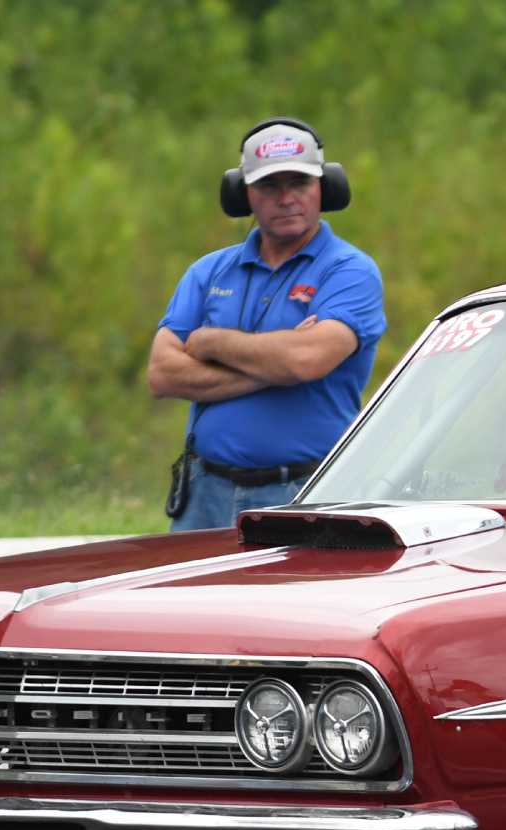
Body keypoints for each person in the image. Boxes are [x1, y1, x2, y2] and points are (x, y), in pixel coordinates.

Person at [146, 118, 385, 530]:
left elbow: (306, 361)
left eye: (300, 183)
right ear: (244, 194)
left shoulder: (350, 271)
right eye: (270, 186)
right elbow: (163, 374)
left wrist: (210, 341)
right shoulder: (209, 272)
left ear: (324, 188)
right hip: (204, 493)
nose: (286, 197)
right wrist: (275, 365)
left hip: (304, 492)